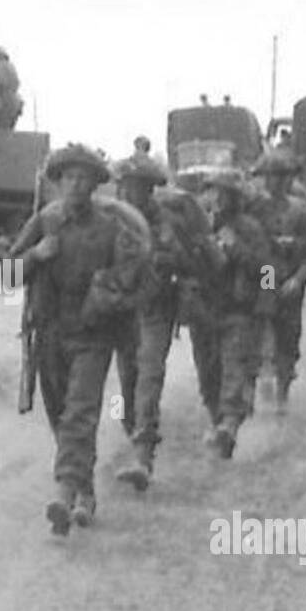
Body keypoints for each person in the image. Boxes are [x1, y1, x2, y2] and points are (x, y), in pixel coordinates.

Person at [10, 144, 148, 534]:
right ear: (58, 182)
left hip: (92, 334)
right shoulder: (45, 220)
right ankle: (83, 489)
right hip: (49, 333)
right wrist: (36, 254)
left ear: (94, 185)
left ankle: (65, 492)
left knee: (79, 414)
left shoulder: (110, 227)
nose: (75, 184)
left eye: (83, 178)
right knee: (59, 415)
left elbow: (130, 276)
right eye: (69, 177)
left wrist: (103, 293)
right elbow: (5, 273)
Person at [113, 151, 221, 490]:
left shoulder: (168, 221)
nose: (130, 193)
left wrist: (165, 257)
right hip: (121, 309)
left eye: (138, 187)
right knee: (128, 376)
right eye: (126, 186)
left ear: (150, 189)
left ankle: (143, 455)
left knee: (149, 374)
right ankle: (135, 430)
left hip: (156, 306)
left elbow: (194, 261)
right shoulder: (113, 219)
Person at [198, 168, 273, 459]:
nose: (216, 199)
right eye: (212, 192)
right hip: (205, 310)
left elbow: (268, 271)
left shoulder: (250, 229)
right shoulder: (202, 227)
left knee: (234, 368)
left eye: (223, 193)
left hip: (239, 311)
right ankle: (221, 423)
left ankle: (229, 424)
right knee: (208, 372)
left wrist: (237, 249)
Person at [249, 149, 306, 414]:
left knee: (289, 339)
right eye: (270, 177)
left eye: (281, 177)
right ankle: (264, 377)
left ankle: (282, 391)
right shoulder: (255, 208)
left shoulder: (300, 211)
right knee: (264, 326)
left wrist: (297, 280)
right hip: (266, 277)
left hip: (291, 282)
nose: (275, 182)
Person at [0, 47, 23, 129]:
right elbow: (16, 82)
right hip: (14, 99)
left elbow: (3, 83)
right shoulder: (10, 65)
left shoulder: (0, 66)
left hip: (6, 98)